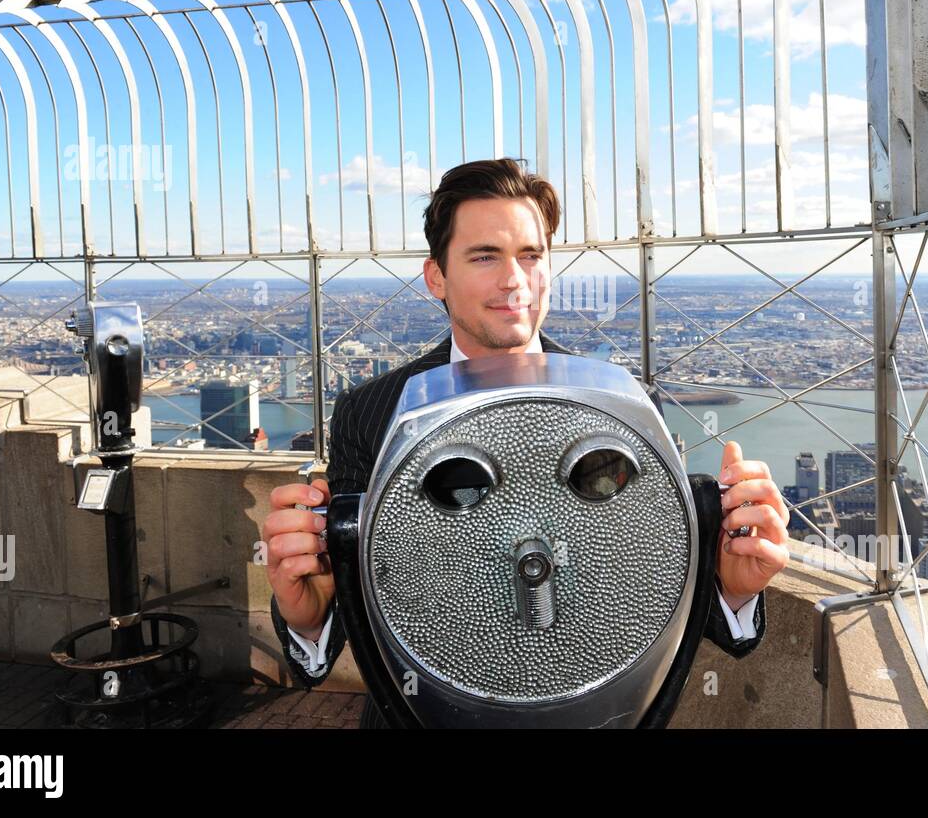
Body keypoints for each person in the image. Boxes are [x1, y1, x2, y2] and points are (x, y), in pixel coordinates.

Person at [263, 158, 790, 727]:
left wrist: (730, 589)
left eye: (530, 256)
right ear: (436, 276)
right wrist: (311, 616)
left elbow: (649, 581)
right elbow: (357, 596)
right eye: (485, 256)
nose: (514, 279)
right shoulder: (370, 412)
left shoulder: (624, 408)